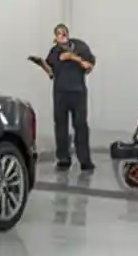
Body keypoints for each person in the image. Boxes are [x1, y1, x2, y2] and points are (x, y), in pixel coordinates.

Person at [39, 24, 96, 171]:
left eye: (63, 33)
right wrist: (43, 65)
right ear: (55, 37)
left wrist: (72, 57)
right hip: (60, 93)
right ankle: (63, 158)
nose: (61, 36)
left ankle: (85, 160)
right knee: (60, 126)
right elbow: (51, 71)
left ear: (68, 34)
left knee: (80, 125)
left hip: (78, 93)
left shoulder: (81, 47)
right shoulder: (54, 51)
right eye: (58, 34)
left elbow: (89, 66)